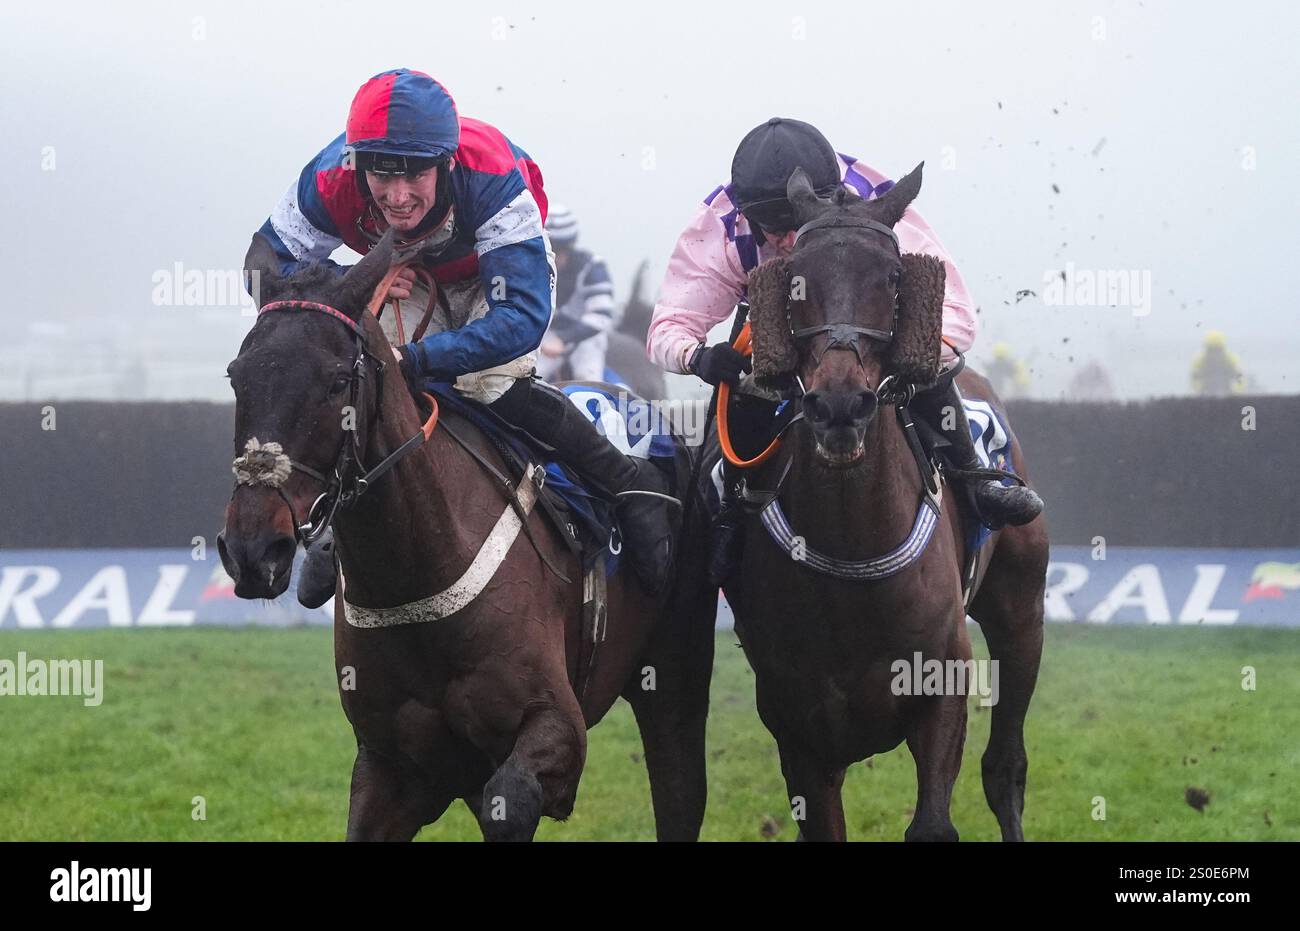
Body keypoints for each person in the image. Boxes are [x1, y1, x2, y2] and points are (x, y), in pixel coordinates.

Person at [255, 68, 670, 595]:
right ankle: (335, 527)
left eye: (415, 177)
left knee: (489, 383)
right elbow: (266, 266)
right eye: (381, 176)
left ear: (447, 163)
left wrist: (417, 361)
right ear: (356, 165)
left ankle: (627, 484)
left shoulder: (492, 174)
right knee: (360, 379)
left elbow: (520, 319)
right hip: (400, 270)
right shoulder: (328, 176)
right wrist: (352, 277)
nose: (398, 196)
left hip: (491, 272)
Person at [646, 117, 1043, 585]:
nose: (783, 240)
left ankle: (974, 480)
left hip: (873, 336)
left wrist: (899, 362)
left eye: (792, 224)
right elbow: (668, 327)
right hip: (777, 330)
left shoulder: (877, 201)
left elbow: (956, 316)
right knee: (740, 398)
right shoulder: (720, 223)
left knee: (926, 363)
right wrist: (699, 358)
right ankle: (730, 512)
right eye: (768, 227)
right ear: (745, 212)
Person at [536, 204, 617, 383]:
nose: (553, 257)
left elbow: (600, 318)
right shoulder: (535, 267)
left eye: (558, 249)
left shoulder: (593, 268)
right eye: (548, 249)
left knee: (587, 381)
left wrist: (563, 339)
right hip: (548, 337)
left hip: (585, 339)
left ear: (570, 246)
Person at [1190, 331, 1245, 397]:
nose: (1214, 354)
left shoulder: (1231, 360)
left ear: (1222, 349)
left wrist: (1235, 393)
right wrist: (1199, 392)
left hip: (1228, 396)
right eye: (1211, 350)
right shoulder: (1199, 361)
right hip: (1205, 396)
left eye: (1217, 350)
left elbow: (1240, 379)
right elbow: (1193, 379)